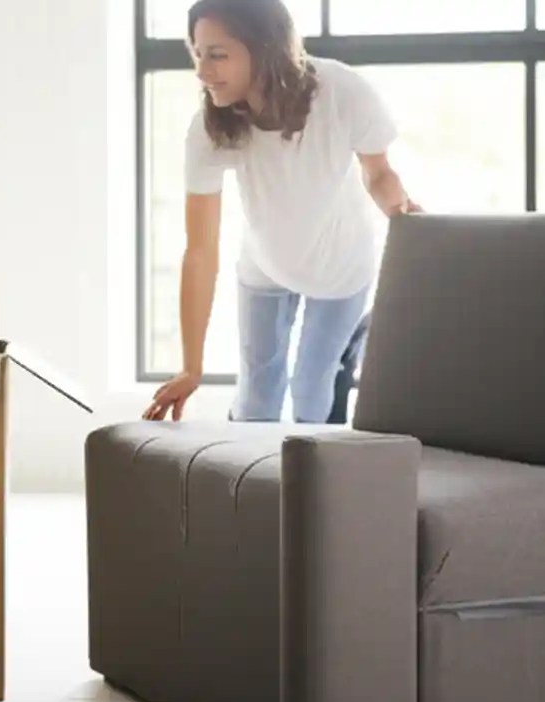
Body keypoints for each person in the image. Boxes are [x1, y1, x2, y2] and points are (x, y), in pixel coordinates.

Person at [143, 0, 420, 423]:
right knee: (257, 400)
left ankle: (316, 479)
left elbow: (378, 173)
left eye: (217, 54)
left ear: (265, 47)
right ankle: (259, 489)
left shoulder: (341, 90)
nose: (202, 71)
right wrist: (191, 367)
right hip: (266, 263)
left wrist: (402, 214)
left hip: (339, 266)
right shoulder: (210, 127)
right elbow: (200, 249)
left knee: (311, 392)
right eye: (198, 54)